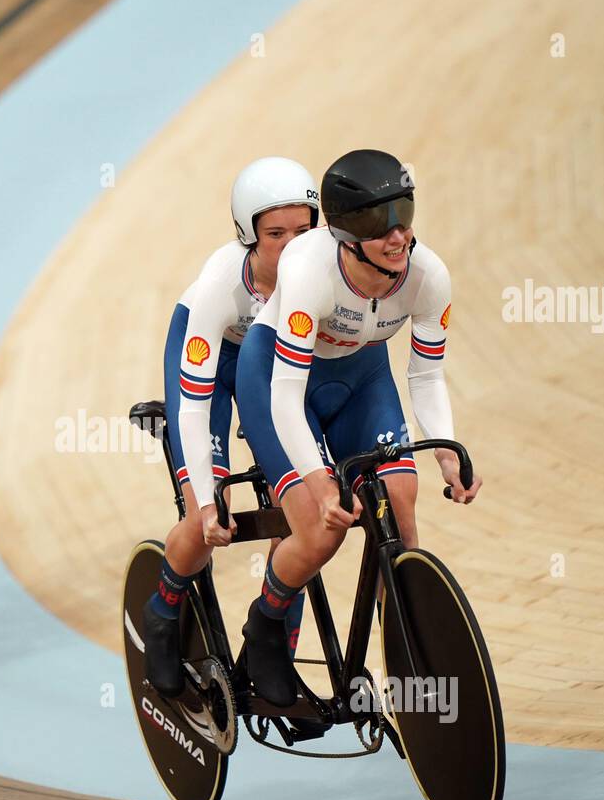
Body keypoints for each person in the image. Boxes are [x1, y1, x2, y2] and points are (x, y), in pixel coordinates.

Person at [234, 149, 483, 706]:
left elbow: (426, 377)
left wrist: (446, 454)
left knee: (401, 500)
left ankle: (409, 661)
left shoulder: (429, 277)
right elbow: (286, 396)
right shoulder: (307, 269)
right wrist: (321, 483)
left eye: (403, 213)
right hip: (276, 378)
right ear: (346, 235)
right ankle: (265, 627)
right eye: (377, 223)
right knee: (321, 531)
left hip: (362, 379)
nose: (396, 236)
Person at [142, 157, 318, 696]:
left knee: (301, 515)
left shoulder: (320, 271)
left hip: (269, 366)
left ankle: (274, 655)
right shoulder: (223, 281)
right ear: (247, 234)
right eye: (274, 233)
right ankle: (163, 611)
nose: (291, 245)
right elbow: (194, 405)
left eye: (302, 230)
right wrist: (206, 494)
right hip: (212, 368)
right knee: (205, 518)